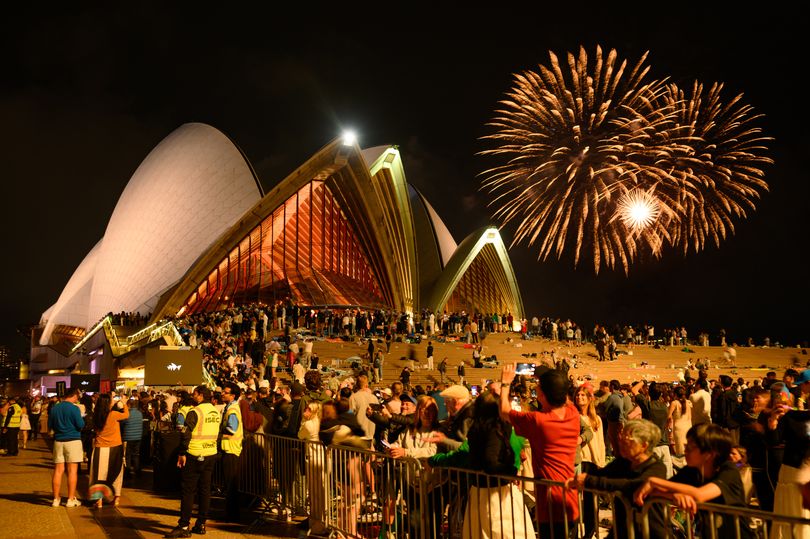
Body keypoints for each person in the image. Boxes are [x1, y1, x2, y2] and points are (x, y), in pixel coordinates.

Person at [431, 391, 535, 539]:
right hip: (497, 494)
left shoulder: (477, 429)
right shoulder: (496, 429)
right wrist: (510, 471)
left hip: (480, 492)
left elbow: (464, 455)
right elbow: (490, 461)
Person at [500, 364, 580, 537]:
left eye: (538, 389)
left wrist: (505, 383)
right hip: (570, 497)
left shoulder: (538, 421)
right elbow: (564, 397)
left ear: (543, 395)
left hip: (550, 502)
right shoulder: (573, 413)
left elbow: (504, 411)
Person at [634, 423, 753, 539]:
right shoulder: (692, 471)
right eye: (686, 447)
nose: (685, 451)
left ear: (709, 454)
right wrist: (673, 495)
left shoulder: (729, 470)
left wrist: (654, 481)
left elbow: (700, 494)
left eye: (690, 448)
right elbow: (652, 492)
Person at [568, 419, 668, 539]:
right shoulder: (623, 463)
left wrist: (589, 481)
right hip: (622, 530)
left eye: (627, 440)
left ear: (644, 445)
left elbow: (632, 485)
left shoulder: (657, 468)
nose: (621, 442)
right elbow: (602, 475)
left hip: (650, 532)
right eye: (621, 437)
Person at [164, 385, 221, 538]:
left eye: (195, 394)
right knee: (205, 490)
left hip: (195, 454)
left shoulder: (195, 412)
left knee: (188, 490)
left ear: (201, 395)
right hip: (211, 453)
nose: (193, 396)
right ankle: (201, 524)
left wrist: (182, 453)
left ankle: (183, 526)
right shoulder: (216, 412)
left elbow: (186, 434)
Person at [90, 392, 129, 508]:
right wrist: (123, 403)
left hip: (100, 448)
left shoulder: (96, 416)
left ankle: (99, 500)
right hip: (115, 447)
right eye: (111, 400)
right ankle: (116, 498)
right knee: (116, 473)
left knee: (99, 474)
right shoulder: (114, 415)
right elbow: (126, 415)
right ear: (107, 403)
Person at [48, 388, 85, 508]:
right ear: (74, 395)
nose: (77, 399)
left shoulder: (55, 408)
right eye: (77, 396)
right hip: (73, 440)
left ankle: (56, 499)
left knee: (58, 471)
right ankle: (70, 499)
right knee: (72, 471)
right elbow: (80, 425)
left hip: (58, 441)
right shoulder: (74, 408)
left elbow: (50, 425)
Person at [220, 382, 243, 523]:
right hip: (229, 448)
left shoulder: (233, 409)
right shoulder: (229, 407)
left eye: (225, 392)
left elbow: (231, 429)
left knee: (231, 485)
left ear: (233, 395)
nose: (222, 393)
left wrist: (218, 431)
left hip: (231, 449)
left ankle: (232, 515)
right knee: (230, 484)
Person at [121, 398, 144, 479]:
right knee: (136, 455)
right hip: (138, 437)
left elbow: (123, 424)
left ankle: (127, 473)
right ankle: (137, 472)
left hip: (128, 437)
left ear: (129, 405)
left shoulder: (127, 414)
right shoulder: (140, 413)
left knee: (127, 456)